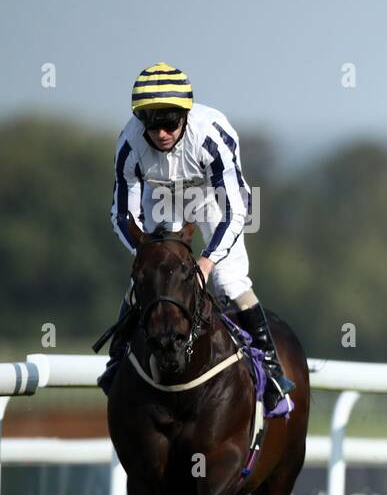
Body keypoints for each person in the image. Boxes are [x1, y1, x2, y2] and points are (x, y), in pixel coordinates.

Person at [100, 62, 295, 399]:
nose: (161, 132)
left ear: (186, 115)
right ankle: (117, 362)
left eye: (170, 122)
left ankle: (270, 366)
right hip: (161, 198)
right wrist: (149, 255)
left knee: (227, 282)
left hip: (213, 201)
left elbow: (236, 211)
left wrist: (204, 264)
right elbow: (121, 215)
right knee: (150, 280)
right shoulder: (129, 144)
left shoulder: (210, 135)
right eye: (150, 122)